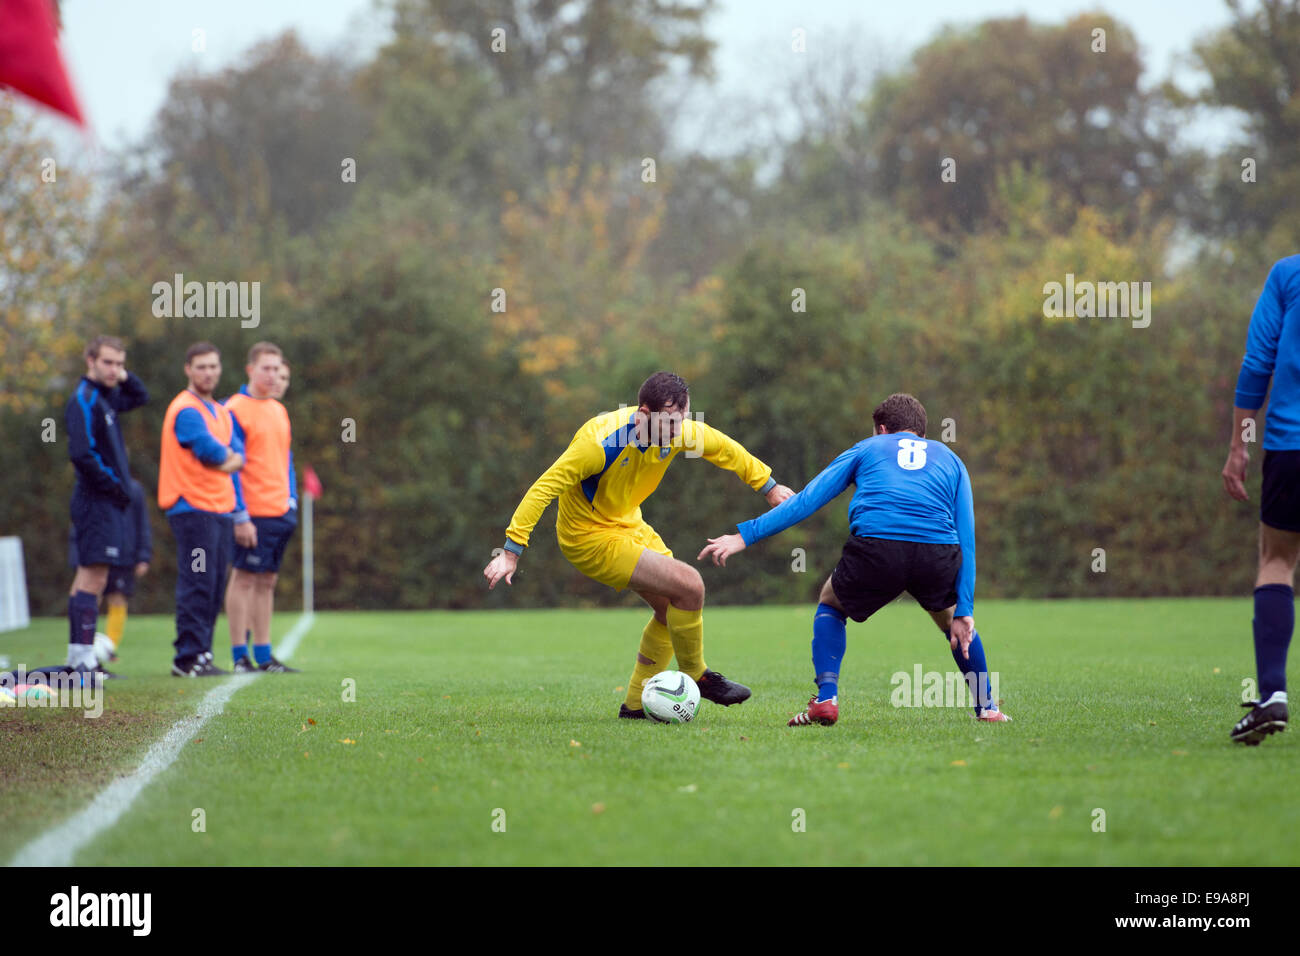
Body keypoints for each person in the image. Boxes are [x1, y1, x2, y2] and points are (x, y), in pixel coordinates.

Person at [483, 371, 793, 718]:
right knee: (690, 585)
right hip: (588, 537)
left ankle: (634, 706)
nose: (678, 431)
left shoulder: (675, 428)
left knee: (671, 608)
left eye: (683, 420)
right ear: (644, 414)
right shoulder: (599, 443)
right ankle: (697, 675)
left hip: (630, 524)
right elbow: (543, 489)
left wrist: (768, 487)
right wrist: (511, 552)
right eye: (671, 423)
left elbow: (723, 448)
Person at [699, 393, 1010, 727]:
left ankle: (827, 698)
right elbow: (968, 538)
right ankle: (987, 707)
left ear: (881, 429)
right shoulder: (951, 459)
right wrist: (965, 610)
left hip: (877, 549)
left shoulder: (867, 448)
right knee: (951, 622)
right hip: (935, 554)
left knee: (831, 603)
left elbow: (806, 501)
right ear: (923, 432)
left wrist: (744, 536)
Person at [1221, 255, 1300, 745]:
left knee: (1276, 560)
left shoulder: (1288, 274)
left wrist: (1238, 446)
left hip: (1291, 446)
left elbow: (1257, 365)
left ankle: (1272, 692)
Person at [158, 342, 247, 677]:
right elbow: (212, 453)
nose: (208, 372)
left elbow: (238, 455)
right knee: (197, 581)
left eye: (213, 366)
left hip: (219, 509)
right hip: (192, 508)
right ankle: (187, 657)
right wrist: (227, 459)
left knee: (212, 584)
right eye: (201, 367)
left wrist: (229, 459)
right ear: (188, 369)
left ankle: (203, 654)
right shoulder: (186, 409)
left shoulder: (220, 411)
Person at [64, 335, 148, 674]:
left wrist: (124, 376)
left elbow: (141, 396)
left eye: (119, 363)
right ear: (91, 361)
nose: (115, 369)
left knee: (91, 576)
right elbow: (82, 454)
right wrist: (116, 487)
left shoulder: (106, 398)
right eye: (108, 362)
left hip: (106, 503)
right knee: (93, 577)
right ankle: (82, 658)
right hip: (96, 502)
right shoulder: (84, 400)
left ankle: (79, 655)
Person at [224, 342, 299, 673]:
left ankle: (265, 655)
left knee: (267, 581)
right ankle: (240, 655)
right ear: (250, 369)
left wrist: (291, 500)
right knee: (243, 579)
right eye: (266, 368)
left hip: (280, 511)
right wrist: (240, 514)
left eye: (276, 368)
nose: (272, 375)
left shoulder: (278, 410)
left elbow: (286, 462)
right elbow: (230, 466)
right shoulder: (234, 409)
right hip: (251, 513)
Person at [67, 476, 151, 662]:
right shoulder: (90, 484)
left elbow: (141, 522)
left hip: (124, 555)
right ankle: (85, 646)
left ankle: (109, 647)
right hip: (97, 550)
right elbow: (78, 523)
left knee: (118, 598)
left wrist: (143, 555)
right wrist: (76, 554)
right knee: (91, 593)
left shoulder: (134, 489)